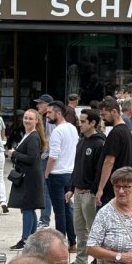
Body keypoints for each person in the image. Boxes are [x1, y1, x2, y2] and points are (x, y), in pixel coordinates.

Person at [70, 108, 105, 264]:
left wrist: (94, 190)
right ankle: (80, 259)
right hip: (78, 191)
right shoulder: (81, 141)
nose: (80, 124)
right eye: (79, 121)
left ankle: (98, 263)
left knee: (93, 229)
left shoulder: (99, 143)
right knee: (79, 228)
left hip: (89, 193)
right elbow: (77, 166)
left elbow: (99, 171)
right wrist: (71, 188)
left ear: (93, 123)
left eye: (83, 121)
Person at [8, 109, 47, 250]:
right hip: (28, 176)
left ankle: (25, 240)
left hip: (30, 178)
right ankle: (31, 238)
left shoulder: (33, 137)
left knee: (27, 208)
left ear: (36, 121)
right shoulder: (28, 135)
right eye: (25, 118)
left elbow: (31, 158)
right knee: (29, 207)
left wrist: (14, 153)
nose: (27, 120)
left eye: (30, 118)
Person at [45, 100, 79, 250]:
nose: (47, 115)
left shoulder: (57, 131)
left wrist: (46, 173)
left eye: (49, 112)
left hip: (57, 174)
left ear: (58, 113)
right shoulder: (72, 128)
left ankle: (61, 245)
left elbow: (54, 155)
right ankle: (72, 241)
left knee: (59, 211)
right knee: (67, 209)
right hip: (69, 173)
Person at [98, 99, 132, 207]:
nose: (102, 118)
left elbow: (109, 162)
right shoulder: (126, 130)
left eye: (104, 114)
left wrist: (100, 189)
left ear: (114, 112)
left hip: (112, 188)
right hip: (122, 184)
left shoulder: (115, 133)